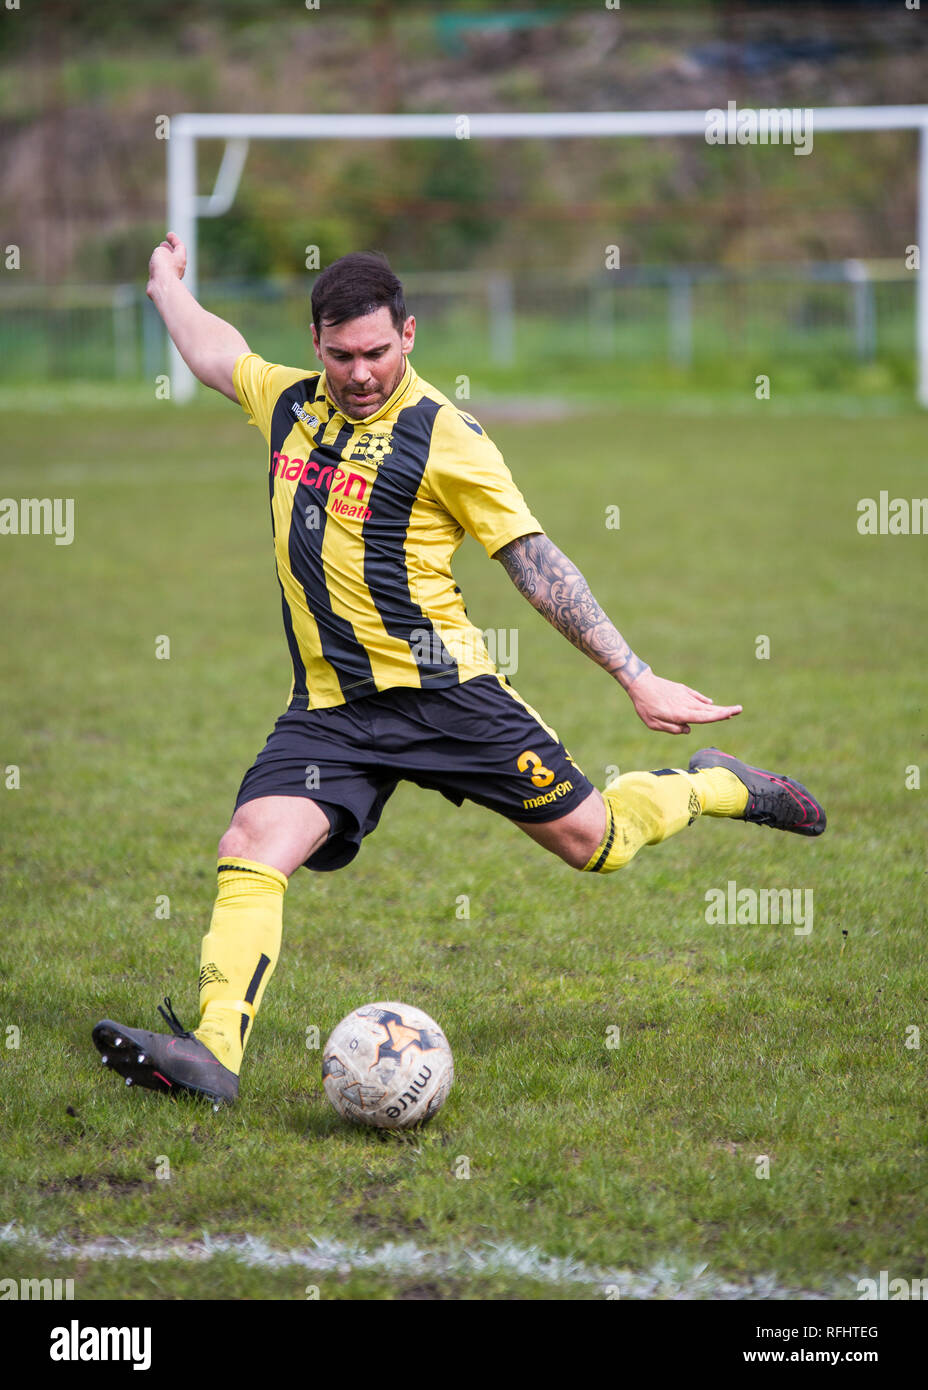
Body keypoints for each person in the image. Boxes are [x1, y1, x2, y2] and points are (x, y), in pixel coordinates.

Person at [92, 235, 825, 1107]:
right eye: (340, 355)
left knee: (598, 844)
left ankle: (711, 788)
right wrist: (165, 285)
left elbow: (535, 563)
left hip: (449, 695)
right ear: (317, 343)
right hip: (331, 710)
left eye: (376, 352)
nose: (359, 372)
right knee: (249, 847)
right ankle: (211, 1054)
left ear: (408, 336)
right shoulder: (289, 402)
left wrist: (636, 674)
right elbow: (219, 352)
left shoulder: (448, 437)